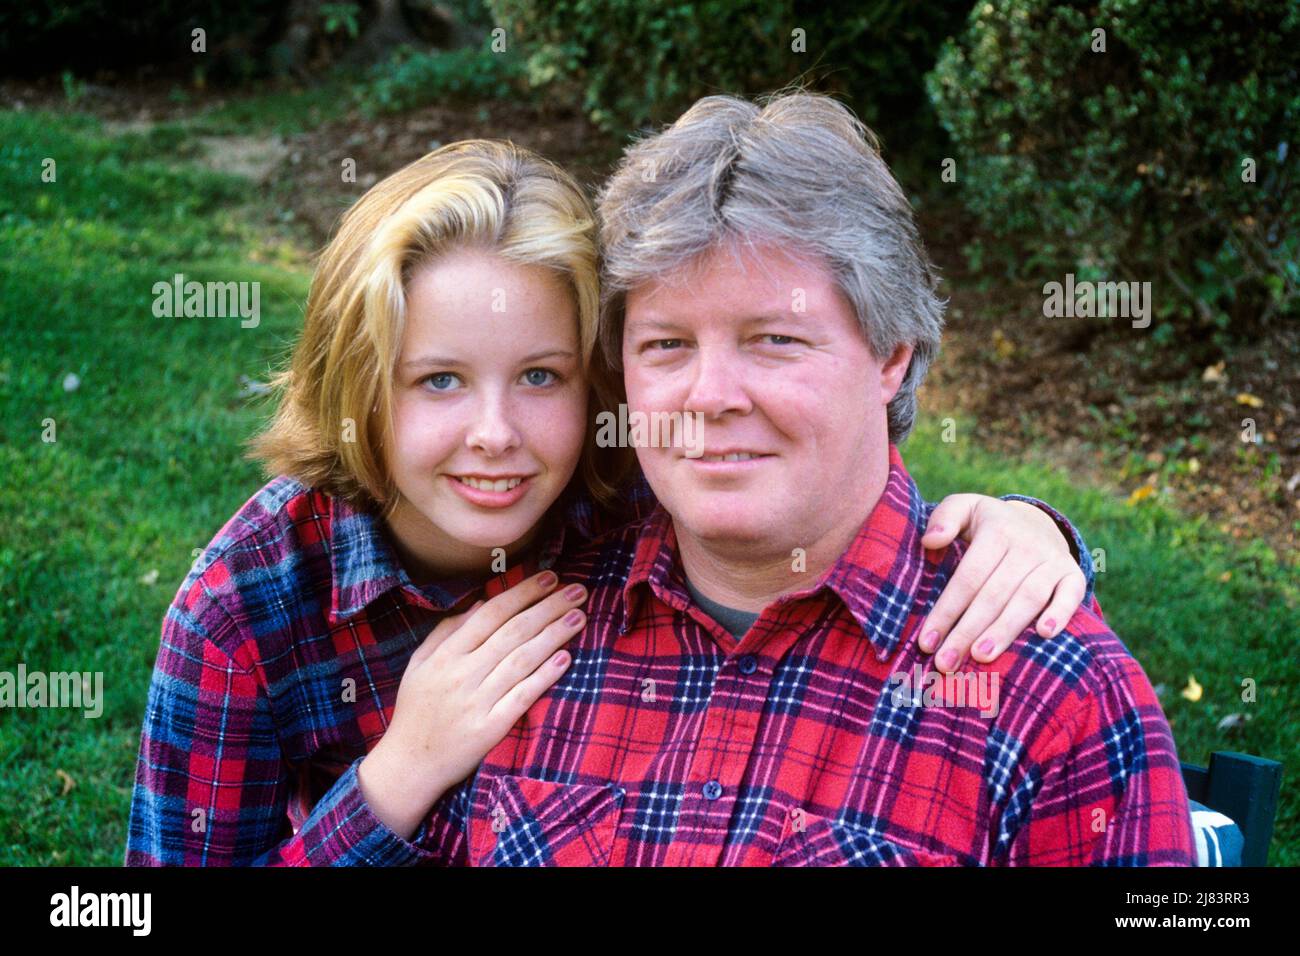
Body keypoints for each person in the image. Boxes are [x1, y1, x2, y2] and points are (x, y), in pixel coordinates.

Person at [125, 138, 1095, 866]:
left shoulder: (630, 501)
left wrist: (1032, 528)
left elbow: (822, 481)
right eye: (439, 381)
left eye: (541, 376)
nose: (496, 432)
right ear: (358, 385)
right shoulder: (248, 604)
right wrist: (396, 774)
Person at [414, 96, 1197, 866]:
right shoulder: (522, 640)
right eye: (667, 345)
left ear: (891, 354)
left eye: (775, 339)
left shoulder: (1055, 696)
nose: (710, 396)